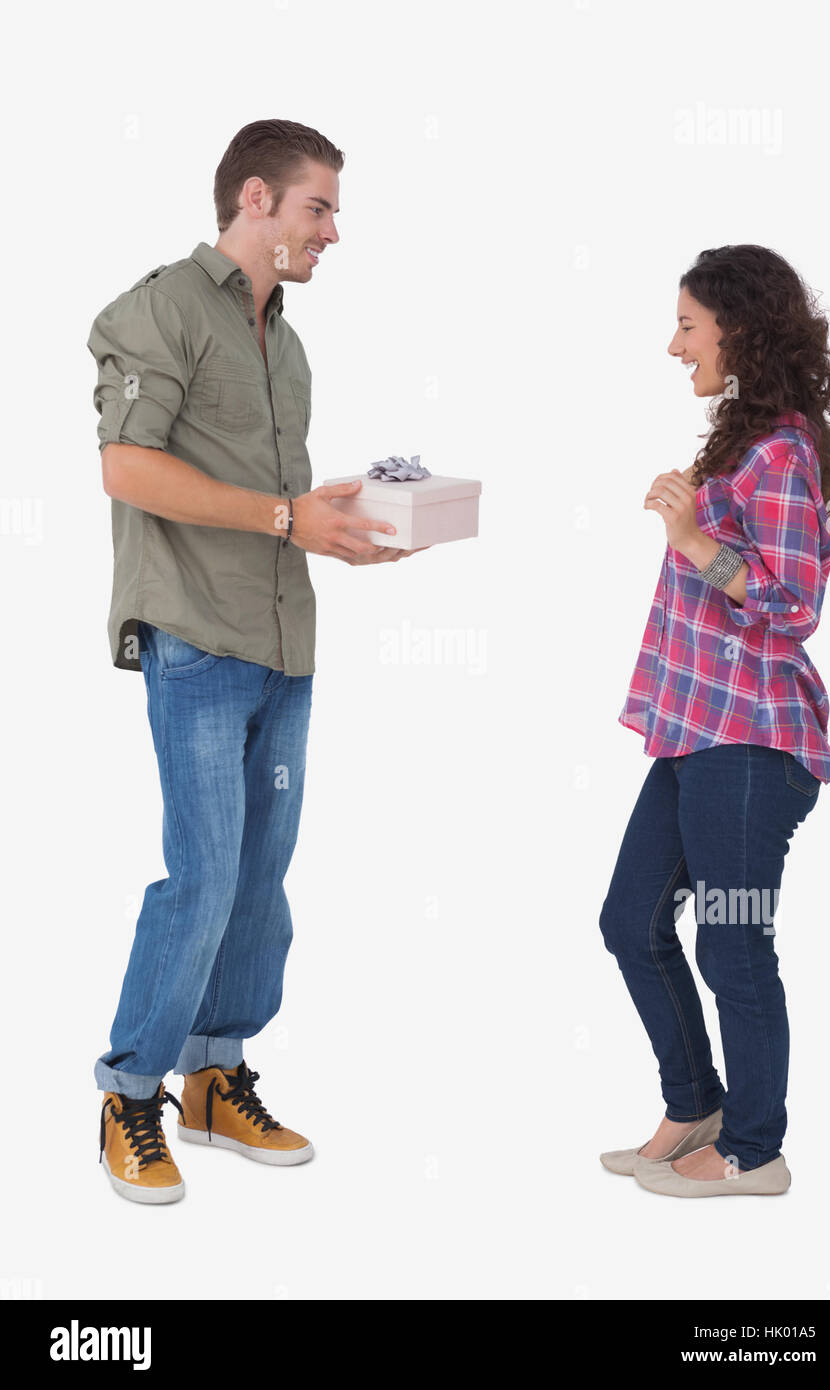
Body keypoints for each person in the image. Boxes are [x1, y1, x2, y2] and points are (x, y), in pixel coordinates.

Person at [88, 118, 423, 1204]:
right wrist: (287, 516)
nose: (334, 230)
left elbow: (271, 504)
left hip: (285, 646)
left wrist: (333, 521)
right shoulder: (158, 310)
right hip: (196, 638)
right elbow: (128, 470)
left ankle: (215, 1074)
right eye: (318, 207)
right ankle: (131, 1090)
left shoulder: (286, 338)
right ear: (253, 201)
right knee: (202, 876)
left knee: (259, 882)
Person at [598, 245, 830, 1197]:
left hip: (752, 748)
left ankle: (754, 1149)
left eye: (688, 325)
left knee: (734, 940)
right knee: (630, 921)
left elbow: (795, 606)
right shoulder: (741, 445)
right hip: (697, 736)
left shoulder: (781, 453)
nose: (675, 346)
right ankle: (696, 1102)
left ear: (737, 330)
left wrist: (694, 538)